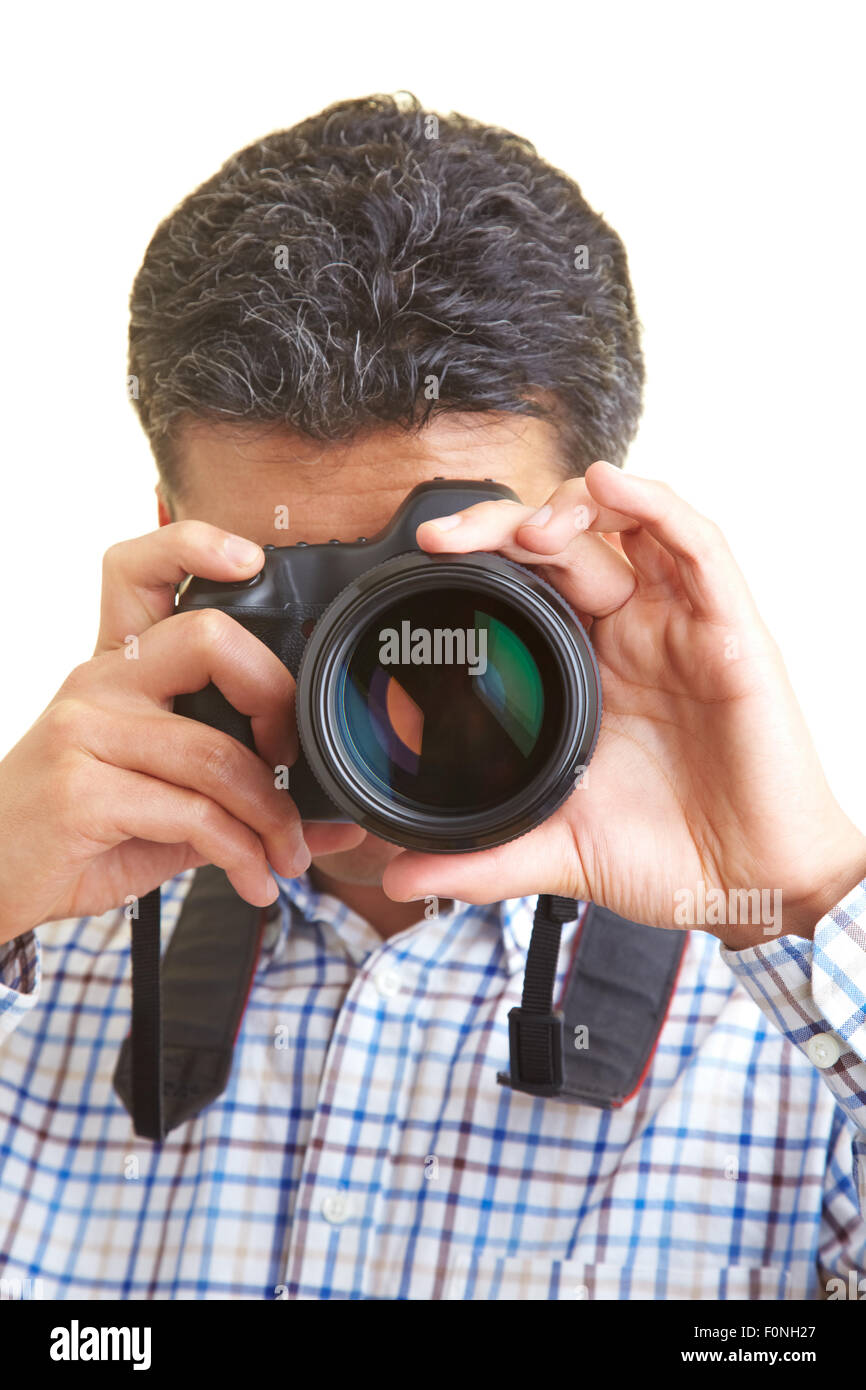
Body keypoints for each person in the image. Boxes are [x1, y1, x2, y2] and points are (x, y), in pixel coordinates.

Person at [0, 93, 864, 1302]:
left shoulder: (797, 1023)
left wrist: (799, 891)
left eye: (437, 595)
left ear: (589, 535)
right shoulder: (39, 954)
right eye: (304, 593)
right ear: (174, 547)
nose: (381, 682)